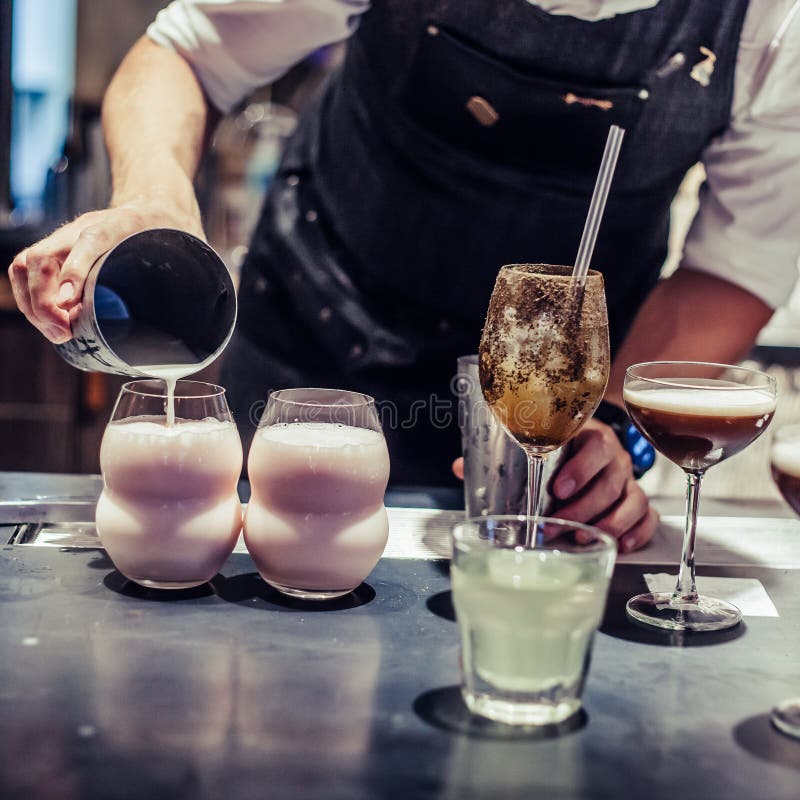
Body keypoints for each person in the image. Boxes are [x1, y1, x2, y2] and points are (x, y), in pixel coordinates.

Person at [9, 1, 800, 555]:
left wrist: (617, 429)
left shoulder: (775, 22)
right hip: (318, 335)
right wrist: (152, 201)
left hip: (550, 411)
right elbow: (187, 53)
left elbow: (731, 267)